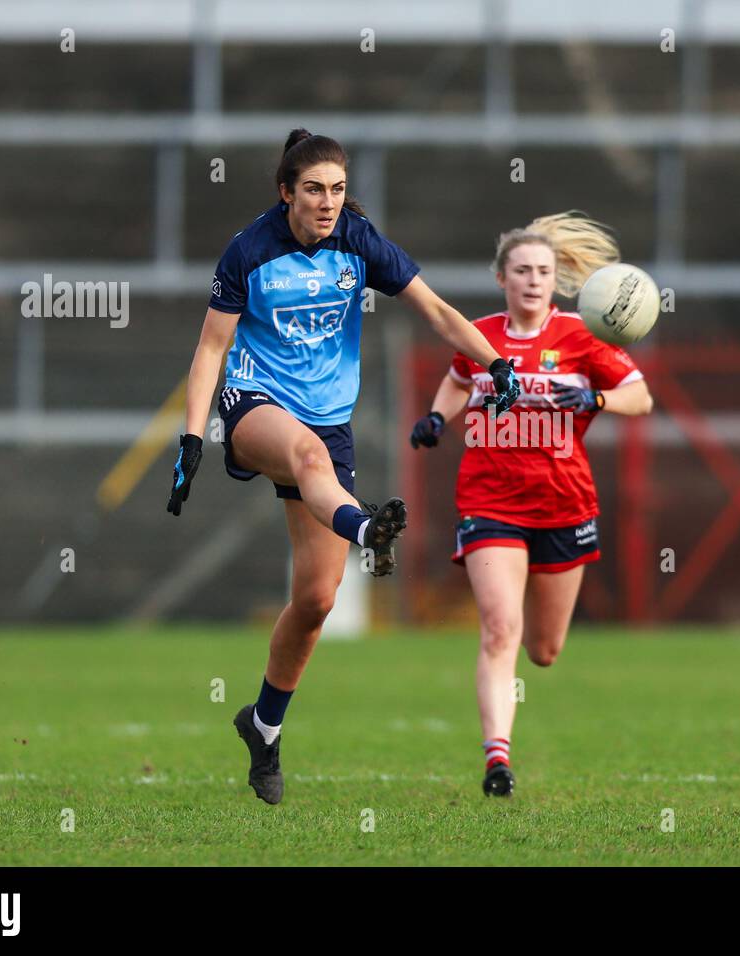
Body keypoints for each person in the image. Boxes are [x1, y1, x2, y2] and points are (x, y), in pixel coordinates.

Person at [166, 128, 522, 805]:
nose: (327, 202)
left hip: (329, 425)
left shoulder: (359, 242)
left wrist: (495, 361)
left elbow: (438, 311)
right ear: (285, 193)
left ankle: (264, 727)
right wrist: (191, 439)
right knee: (304, 457)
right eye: (313, 191)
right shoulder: (249, 250)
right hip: (255, 407)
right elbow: (211, 349)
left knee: (317, 600)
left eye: (335, 189)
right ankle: (367, 533)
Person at [409, 212, 654, 796]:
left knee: (542, 650)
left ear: (557, 279)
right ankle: (498, 760)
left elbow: (639, 398)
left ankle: (521, 680)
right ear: (502, 278)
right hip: (488, 502)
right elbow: (461, 378)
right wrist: (436, 418)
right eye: (522, 270)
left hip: (564, 505)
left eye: (543, 270)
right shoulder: (481, 334)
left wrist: (592, 393)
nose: (534, 280)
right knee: (499, 630)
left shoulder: (583, 335)